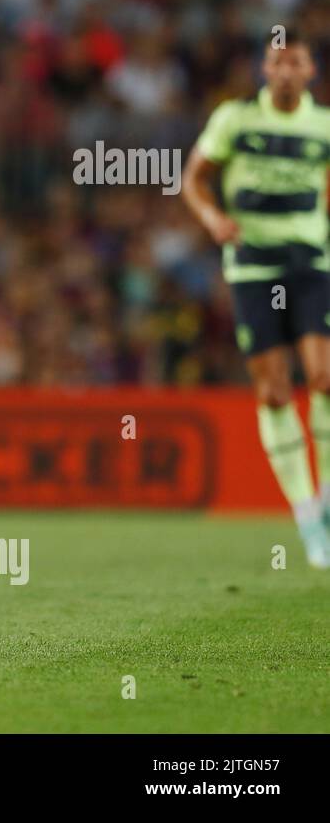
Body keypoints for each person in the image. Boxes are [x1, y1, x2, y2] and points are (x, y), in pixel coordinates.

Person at [181, 30, 330, 567]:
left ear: (311, 70)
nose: (286, 70)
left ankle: (328, 499)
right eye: (277, 61)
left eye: (296, 61)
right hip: (253, 266)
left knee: (323, 376)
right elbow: (192, 180)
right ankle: (307, 514)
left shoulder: (324, 126)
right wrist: (213, 217)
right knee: (272, 390)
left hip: (311, 262)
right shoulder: (235, 120)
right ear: (265, 70)